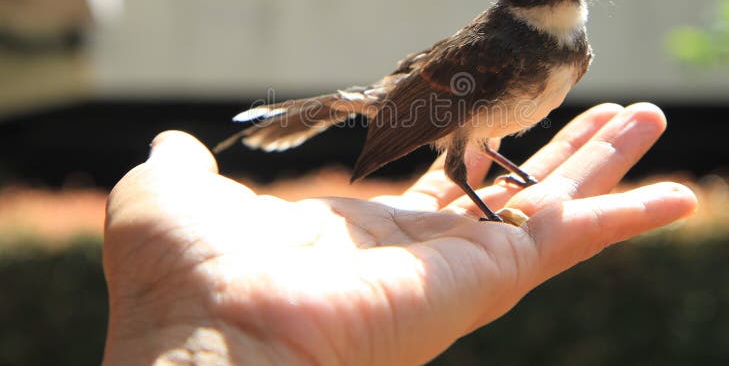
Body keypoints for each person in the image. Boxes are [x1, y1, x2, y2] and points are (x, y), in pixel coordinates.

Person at [102, 103, 696, 365]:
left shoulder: (565, 51)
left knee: (481, 147)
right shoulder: (510, 46)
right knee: (467, 158)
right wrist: (219, 330)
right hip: (444, 125)